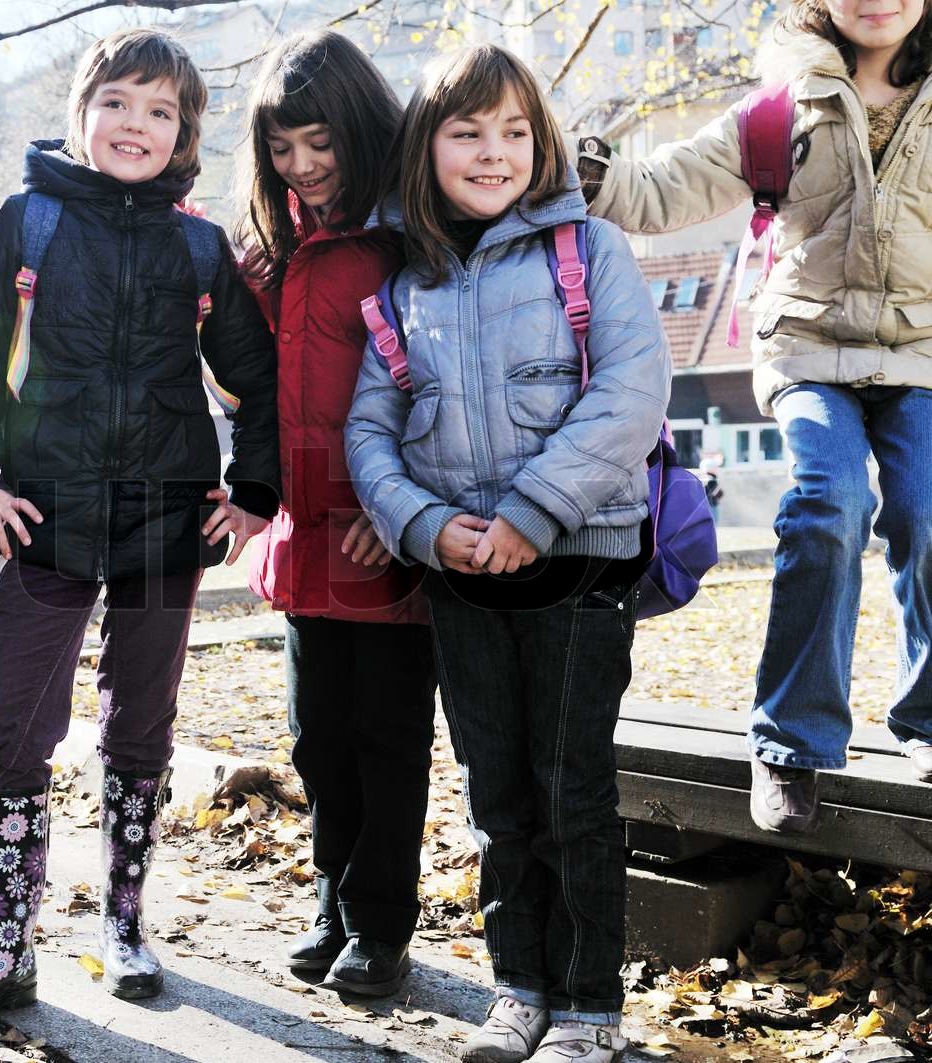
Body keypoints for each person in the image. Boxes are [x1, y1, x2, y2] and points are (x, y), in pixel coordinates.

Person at [0, 26, 280, 1034]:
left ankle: (125, 922)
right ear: (81, 115)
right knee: (7, 727)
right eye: (117, 101)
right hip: (46, 519)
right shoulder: (31, 224)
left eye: (160, 111)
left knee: (141, 725)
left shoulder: (199, 245)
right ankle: (4, 949)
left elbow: (257, 378)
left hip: (166, 528)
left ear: (183, 133)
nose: (136, 124)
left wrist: (253, 488)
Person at [346, 44, 670, 1063]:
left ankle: (587, 1008)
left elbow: (629, 392)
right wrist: (422, 525)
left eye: (513, 132)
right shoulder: (406, 288)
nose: (492, 152)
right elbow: (368, 429)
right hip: (459, 576)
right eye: (466, 131)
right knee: (495, 790)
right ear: (425, 148)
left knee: (569, 785)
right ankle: (518, 987)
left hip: (578, 567)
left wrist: (532, 510)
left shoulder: (591, 253)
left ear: (542, 143)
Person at [577, 0, 932, 832]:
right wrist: (585, 171)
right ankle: (790, 745)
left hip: (921, 353)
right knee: (829, 501)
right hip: (809, 348)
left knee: (926, 506)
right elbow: (667, 186)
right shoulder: (784, 105)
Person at [233, 28, 436, 996]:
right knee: (315, 732)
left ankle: (380, 921)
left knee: (384, 733)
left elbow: (443, 378)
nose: (303, 167)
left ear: (359, 130)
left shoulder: (409, 237)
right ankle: (332, 896)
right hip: (304, 536)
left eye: (320, 144)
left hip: (385, 530)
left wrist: (403, 502)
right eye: (282, 148)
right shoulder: (272, 247)